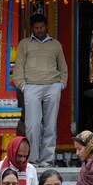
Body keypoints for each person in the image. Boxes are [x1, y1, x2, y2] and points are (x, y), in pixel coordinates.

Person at [13, 14, 68, 166]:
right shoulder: (24, 44)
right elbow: (19, 67)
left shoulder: (56, 44)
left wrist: (61, 84)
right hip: (31, 86)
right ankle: (32, 159)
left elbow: (63, 67)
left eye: (41, 27)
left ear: (46, 27)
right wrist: (23, 85)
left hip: (53, 86)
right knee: (32, 125)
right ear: (32, 28)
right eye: (36, 28)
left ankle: (47, 160)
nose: (39, 30)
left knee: (50, 125)